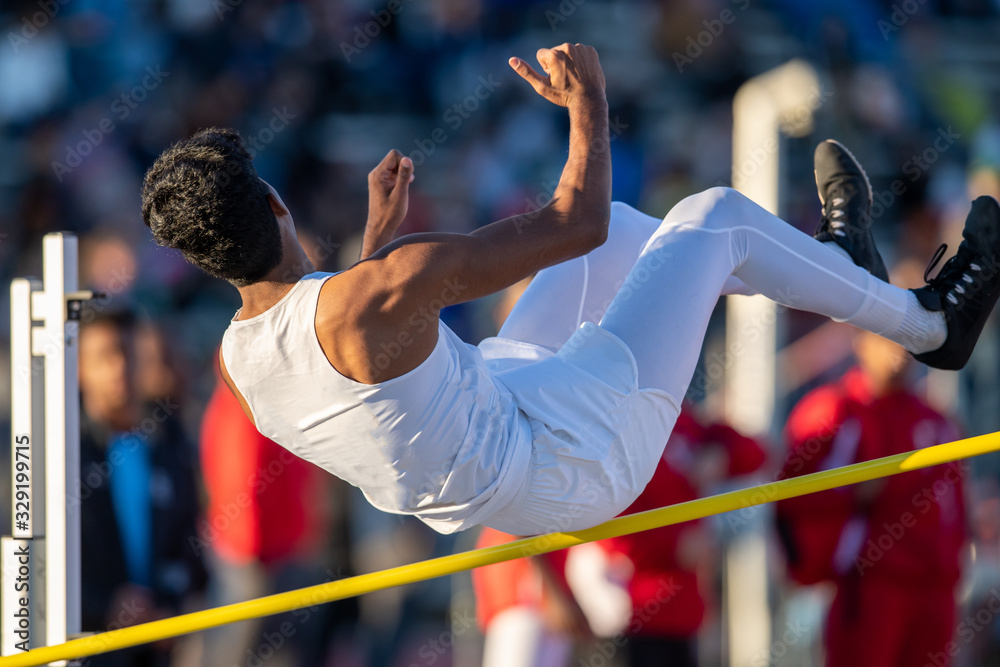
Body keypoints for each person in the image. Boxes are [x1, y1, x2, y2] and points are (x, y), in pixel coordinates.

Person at [139, 43, 1000, 537]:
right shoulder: (373, 292)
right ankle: (930, 324)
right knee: (712, 218)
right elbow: (567, 219)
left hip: (504, 416)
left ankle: (841, 272)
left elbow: (359, 369)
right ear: (279, 203)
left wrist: (379, 250)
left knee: (632, 232)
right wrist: (587, 103)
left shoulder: (239, 360)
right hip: (570, 460)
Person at [775, 326, 967, 667]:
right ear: (862, 342)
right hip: (870, 585)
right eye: (887, 339)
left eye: (908, 339)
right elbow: (789, 497)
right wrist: (851, 495)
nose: (899, 352)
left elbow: (956, 505)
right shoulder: (833, 411)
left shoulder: (936, 420)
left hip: (936, 587)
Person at [77, 309, 207, 667]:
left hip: (157, 644)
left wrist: (169, 606)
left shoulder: (168, 441)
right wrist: (104, 605)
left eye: (130, 353)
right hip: (85, 646)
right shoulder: (58, 451)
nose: (120, 366)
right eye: (106, 355)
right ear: (80, 367)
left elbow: (188, 535)